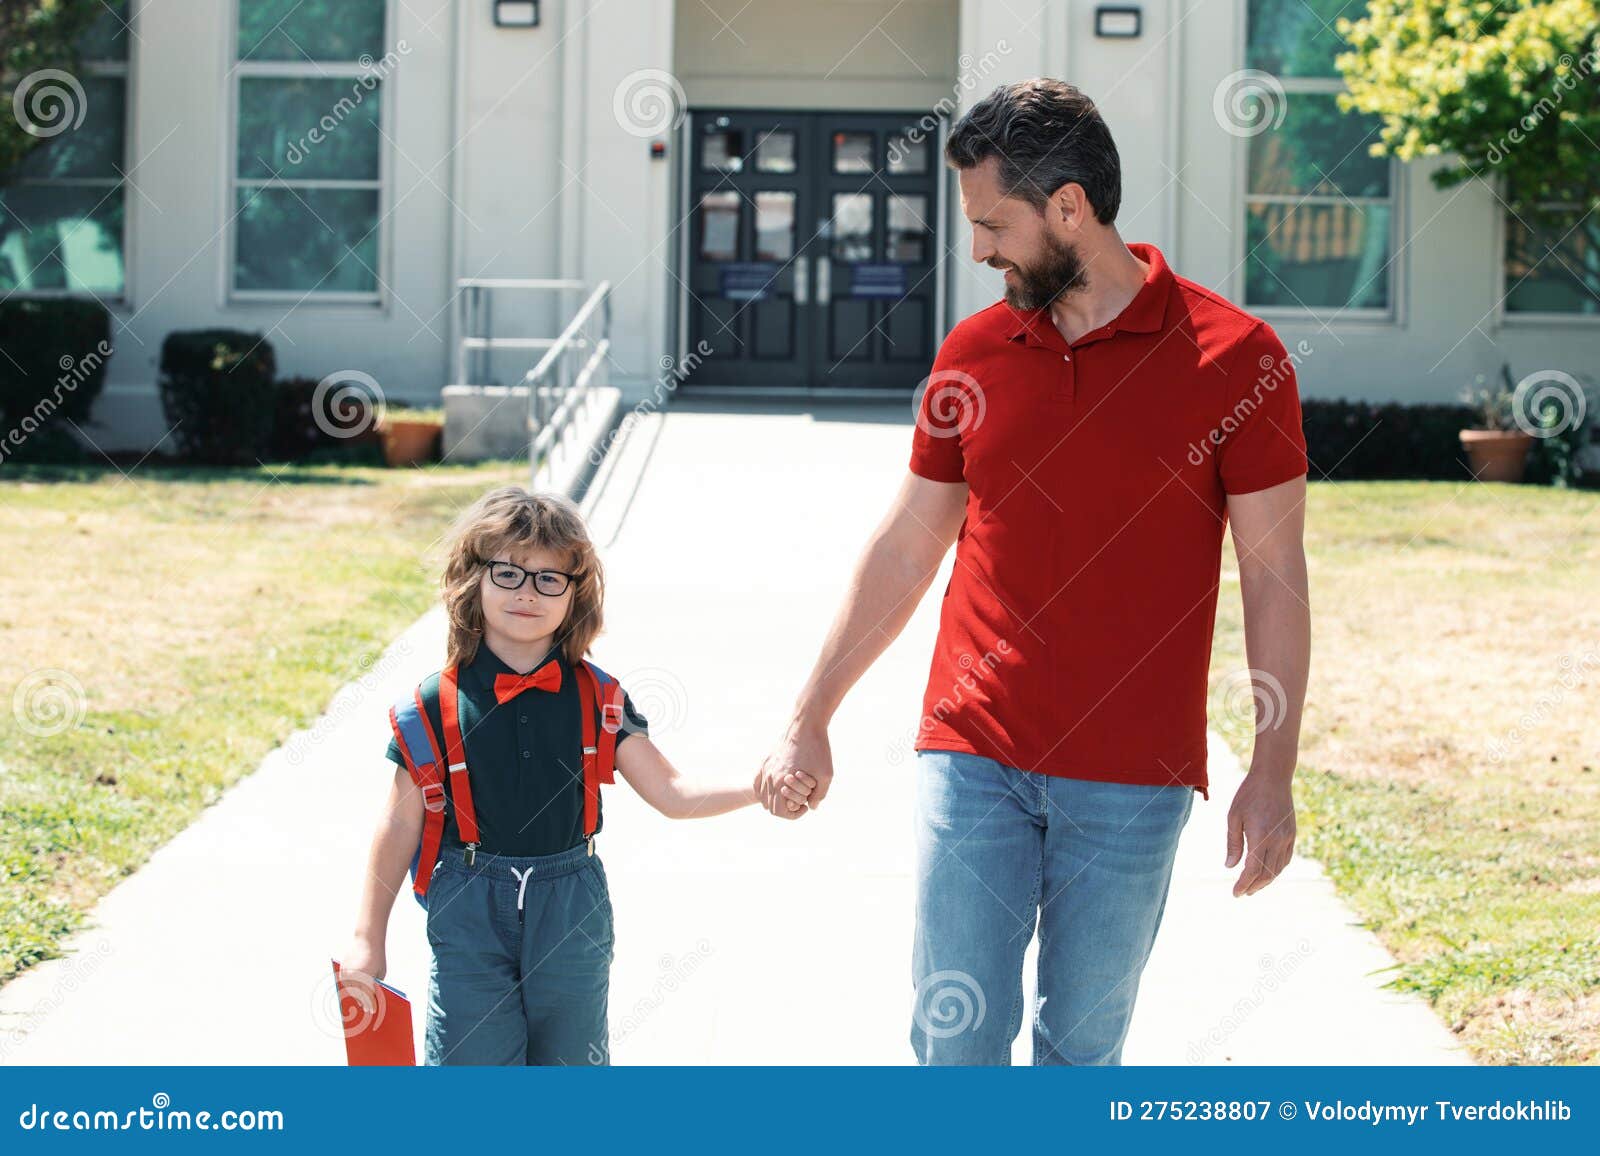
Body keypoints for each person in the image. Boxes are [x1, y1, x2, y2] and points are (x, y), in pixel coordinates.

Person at [756, 78, 1311, 1065]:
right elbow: (908, 543)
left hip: (1132, 777)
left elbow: (1273, 577)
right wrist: (810, 711)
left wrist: (1271, 772)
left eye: (992, 223)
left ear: (1068, 207)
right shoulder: (973, 352)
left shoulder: (1238, 359)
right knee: (952, 1037)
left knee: (1079, 1055)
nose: (977, 250)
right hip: (973, 754)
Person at [343, 486, 810, 1064]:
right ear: (474, 578)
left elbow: (673, 793)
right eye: (509, 572)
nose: (527, 593)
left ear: (575, 594)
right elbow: (397, 828)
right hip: (468, 901)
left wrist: (758, 784)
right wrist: (369, 940)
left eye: (549, 579)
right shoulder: (433, 704)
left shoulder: (600, 697)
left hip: (571, 905)